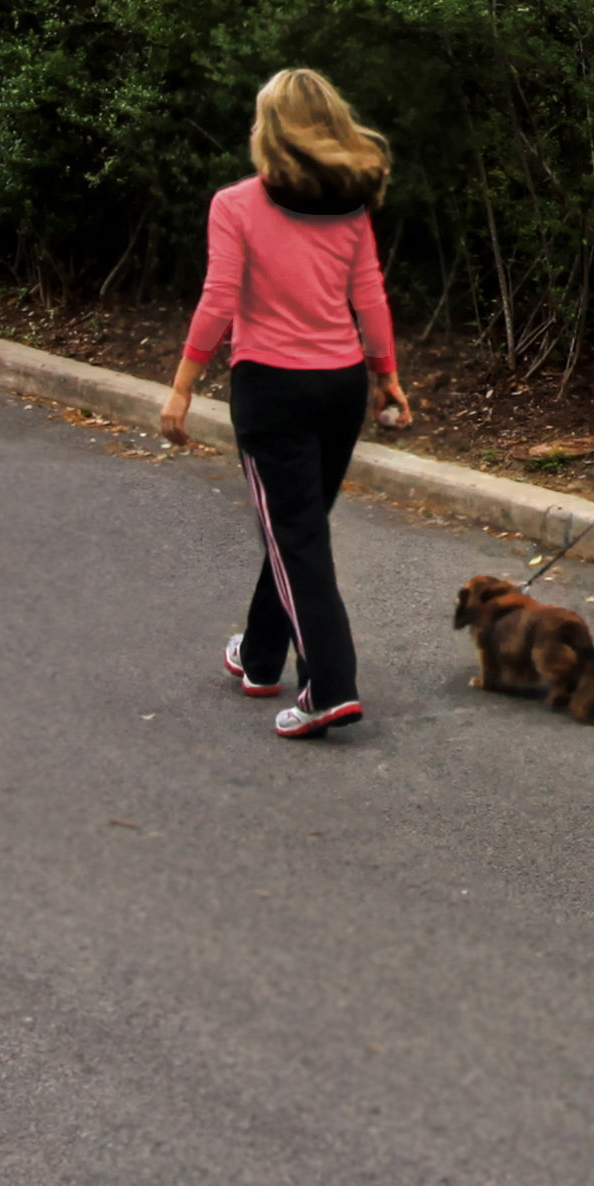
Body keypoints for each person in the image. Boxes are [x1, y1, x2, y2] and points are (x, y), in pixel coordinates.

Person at [158, 69, 411, 741]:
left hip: (272, 387)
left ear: (268, 130)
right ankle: (262, 655)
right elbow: (371, 296)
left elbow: (218, 297)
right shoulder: (350, 207)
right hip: (340, 387)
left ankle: (330, 687)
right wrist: (385, 375)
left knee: (296, 534)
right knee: (296, 528)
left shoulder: (235, 204)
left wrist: (183, 383)